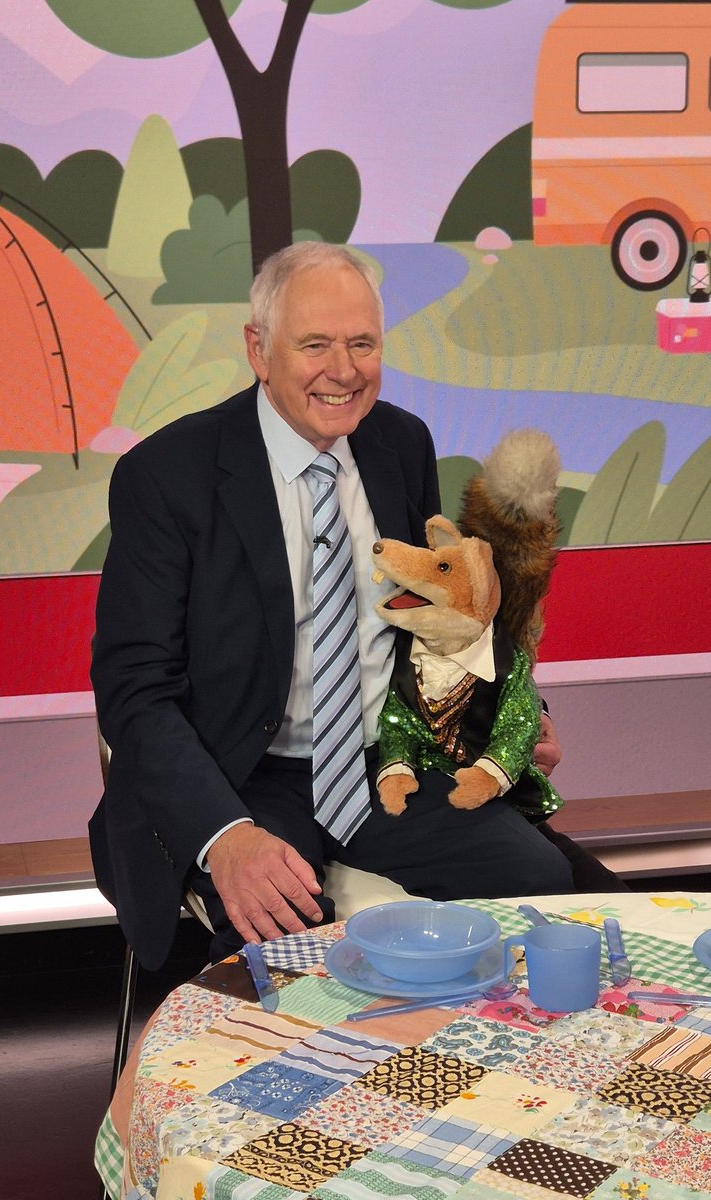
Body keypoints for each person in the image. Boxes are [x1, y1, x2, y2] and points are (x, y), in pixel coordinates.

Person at [90, 242, 621, 972]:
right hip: (241, 773)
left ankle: (480, 1043)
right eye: (314, 345)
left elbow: (442, 611)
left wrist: (516, 707)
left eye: (362, 344)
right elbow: (134, 690)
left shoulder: (399, 443)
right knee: (288, 940)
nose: (343, 370)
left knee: (541, 879)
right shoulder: (166, 475)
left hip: (388, 762)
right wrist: (225, 835)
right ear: (258, 349)